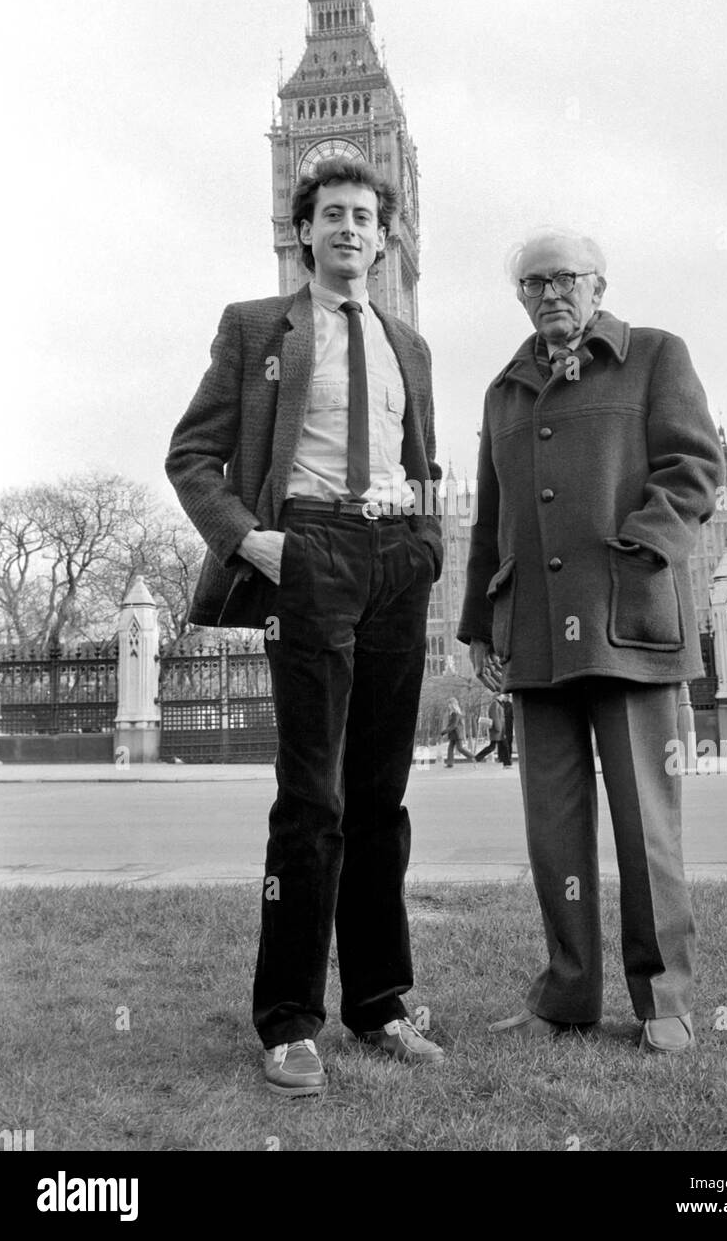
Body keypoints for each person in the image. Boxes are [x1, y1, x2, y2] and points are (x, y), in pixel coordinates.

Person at [166, 157, 445, 1098]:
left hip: (396, 556)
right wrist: (253, 542)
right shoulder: (258, 328)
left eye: (367, 217)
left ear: (387, 235)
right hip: (309, 550)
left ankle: (381, 1003)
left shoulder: (409, 340)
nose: (352, 230)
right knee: (312, 798)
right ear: (303, 229)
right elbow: (193, 453)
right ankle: (289, 1020)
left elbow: (421, 457)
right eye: (333, 215)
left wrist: (427, 539)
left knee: (381, 796)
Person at [458, 227, 723, 1054]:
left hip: (629, 625)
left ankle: (665, 999)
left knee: (647, 826)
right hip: (534, 637)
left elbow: (695, 467)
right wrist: (477, 625)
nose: (549, 294)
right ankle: (567, 994)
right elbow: (489, 521)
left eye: (564, 278)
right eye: (532, 284)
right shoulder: (505, 389)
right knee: (554, 830)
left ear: (599, 284)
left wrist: (644, 544)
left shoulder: (653, 355)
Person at [441, 696, 474, 767]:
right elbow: (452, 725)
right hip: (454, 734)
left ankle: (474, 757)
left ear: (452, 704)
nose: (448, 706)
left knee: (460, 748)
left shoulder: (455, 714)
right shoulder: (454, 713)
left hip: (456, 734)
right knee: (450, 748)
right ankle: (450, 764)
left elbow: (454, 725)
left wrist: (444, 731)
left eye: (449, 704)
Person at [474, 693, 505, 763]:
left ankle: (502, 759)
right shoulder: (495, 704)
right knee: (492, 746)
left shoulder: (498, 704)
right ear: (498, 696)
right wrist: (498, 728)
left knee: (499, 745)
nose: (503, 696)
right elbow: (495, 717)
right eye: (502, 695)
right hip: (497, 729)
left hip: (498, 728)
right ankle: (477, 758)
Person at [497, 695, 514, 767]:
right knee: (501, 742)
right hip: (502, 726)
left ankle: (508, 758)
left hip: (508, 726)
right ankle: (501, 757)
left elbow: (512, 716)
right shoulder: (500, 704)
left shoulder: (511, 705)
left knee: (508, 742)